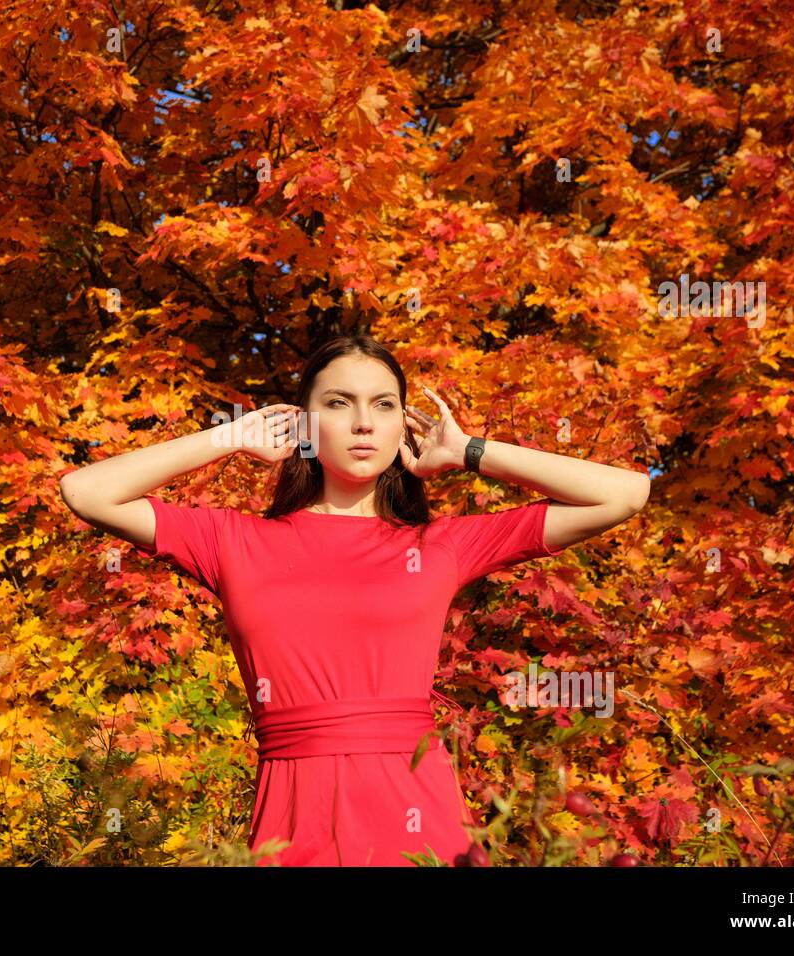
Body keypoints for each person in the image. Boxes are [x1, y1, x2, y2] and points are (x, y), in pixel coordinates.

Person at [60, 334, 650, 866]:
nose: (364, 423)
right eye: (339, 403)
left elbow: (624, 494)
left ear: (402, 427)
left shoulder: (438, 545)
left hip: (420, 817)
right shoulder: (232, 541)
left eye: (384, 405)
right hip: (289, 818)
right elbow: (86, 491)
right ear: (304, 424)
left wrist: (468, 450)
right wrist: (229, 437)